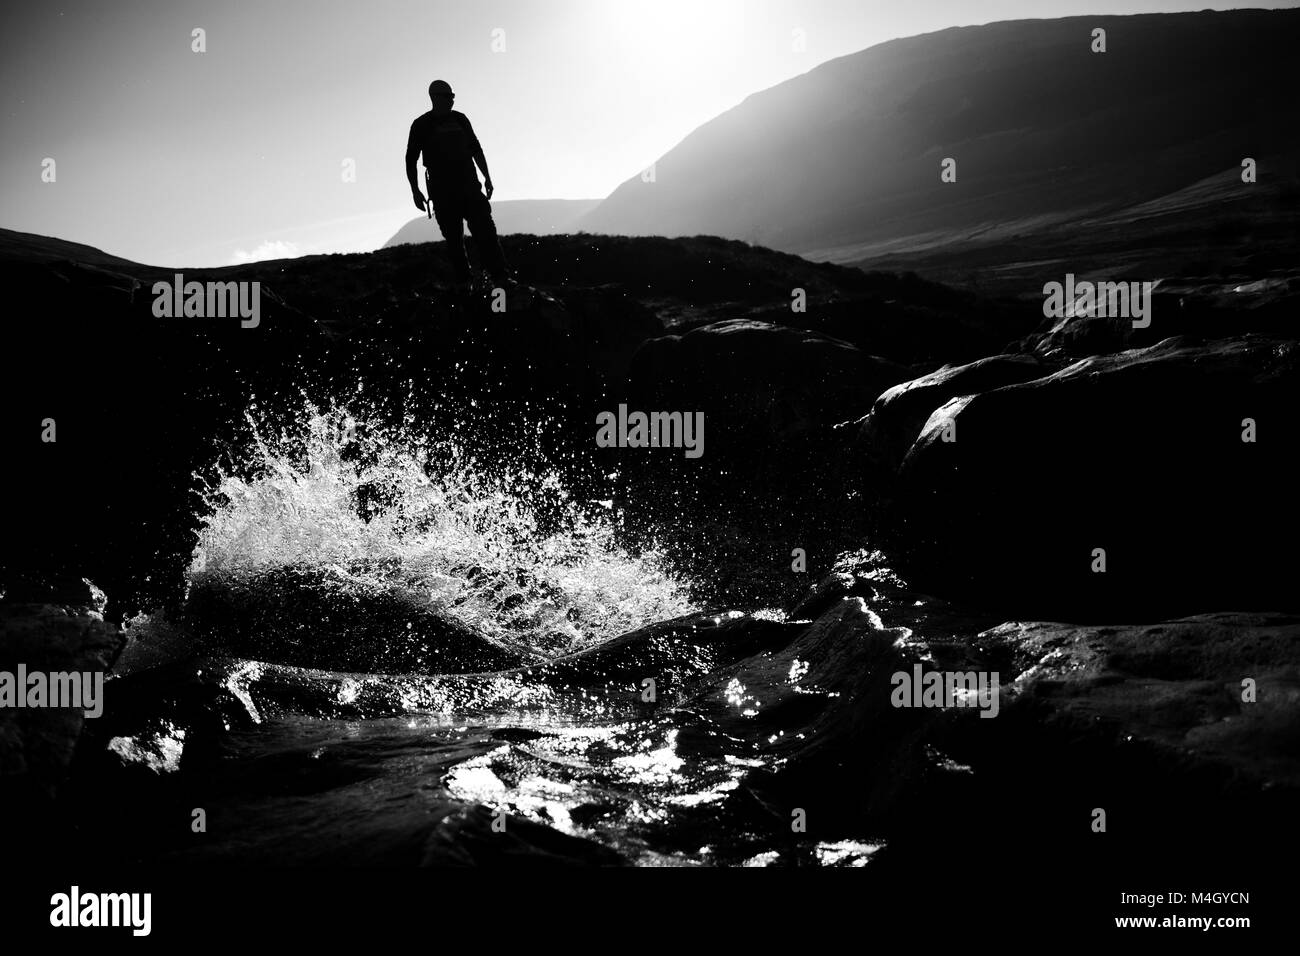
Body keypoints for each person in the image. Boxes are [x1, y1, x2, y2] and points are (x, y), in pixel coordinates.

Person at [405, 80, 513, 291]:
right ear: (436, 97)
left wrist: (487, 177)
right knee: (454, 239)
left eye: (453, 96)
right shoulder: (421, 125)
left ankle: (500, 279)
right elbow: (411, 159)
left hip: (469, 185)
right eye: (449, 96)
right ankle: (466, 283)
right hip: (442, 190)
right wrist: (415, 191)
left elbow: (476, 149)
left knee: (485, 231)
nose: (453, 99)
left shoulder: (460, 119)